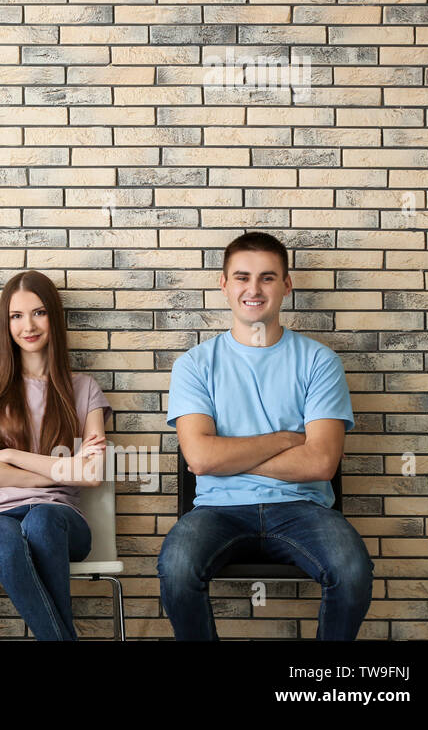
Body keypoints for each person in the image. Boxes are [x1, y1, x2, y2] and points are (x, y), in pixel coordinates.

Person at [158, 231, 373, 639]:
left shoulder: (319, 362)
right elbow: (201, 459)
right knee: (177, 567)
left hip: (302, 508)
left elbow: (321, 463)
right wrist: (285, 439)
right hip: (218, 509)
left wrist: (231, 455)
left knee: (352, 570)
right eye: (241, 277)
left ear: (287, 285)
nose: (253, 289)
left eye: (267, 278)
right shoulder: (195, 365)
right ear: (224, 285)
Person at [0, 270, 110, 640]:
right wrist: (64, 470)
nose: (28, 325)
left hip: (61, 519)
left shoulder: (83, 389)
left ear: (54, 318)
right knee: (9, 541)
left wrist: (10, 455)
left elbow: (92, 474)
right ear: (6, 323)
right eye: (16, 316)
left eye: (39, 313)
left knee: (41, 521)